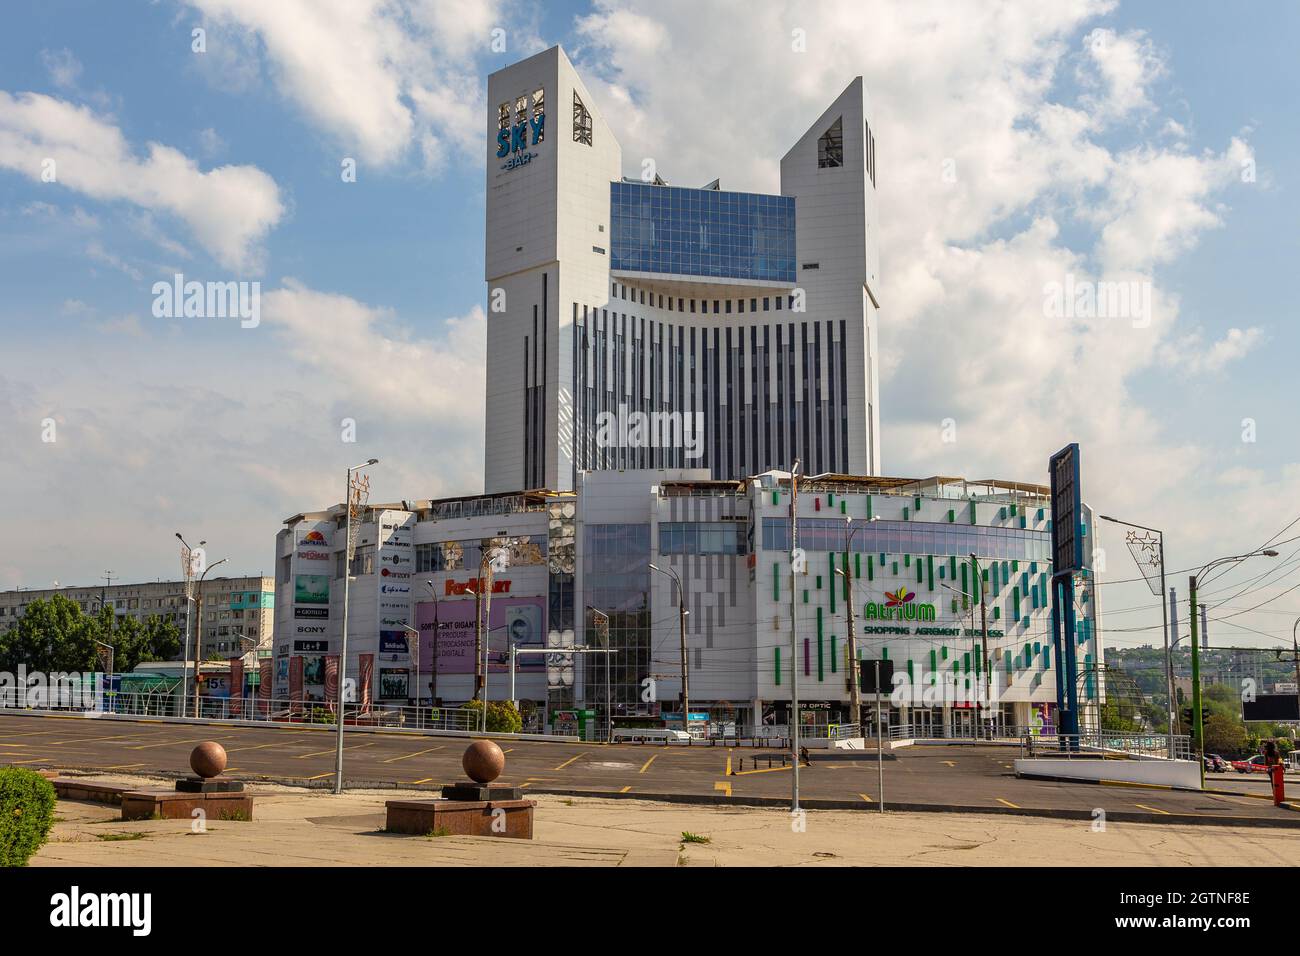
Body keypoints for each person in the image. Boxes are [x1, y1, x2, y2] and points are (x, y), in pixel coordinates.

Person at [1262, 740, 1285, 807]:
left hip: (1270, 770)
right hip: (1277, 769)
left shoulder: (1266, 753)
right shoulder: (1276, 753)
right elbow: (1280, 760)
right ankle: (1277, 795)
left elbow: (1265, 762)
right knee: (1278, 783)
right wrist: (1282, 766)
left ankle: (1275, 794)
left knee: (1273, 782)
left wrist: (1266, 769)